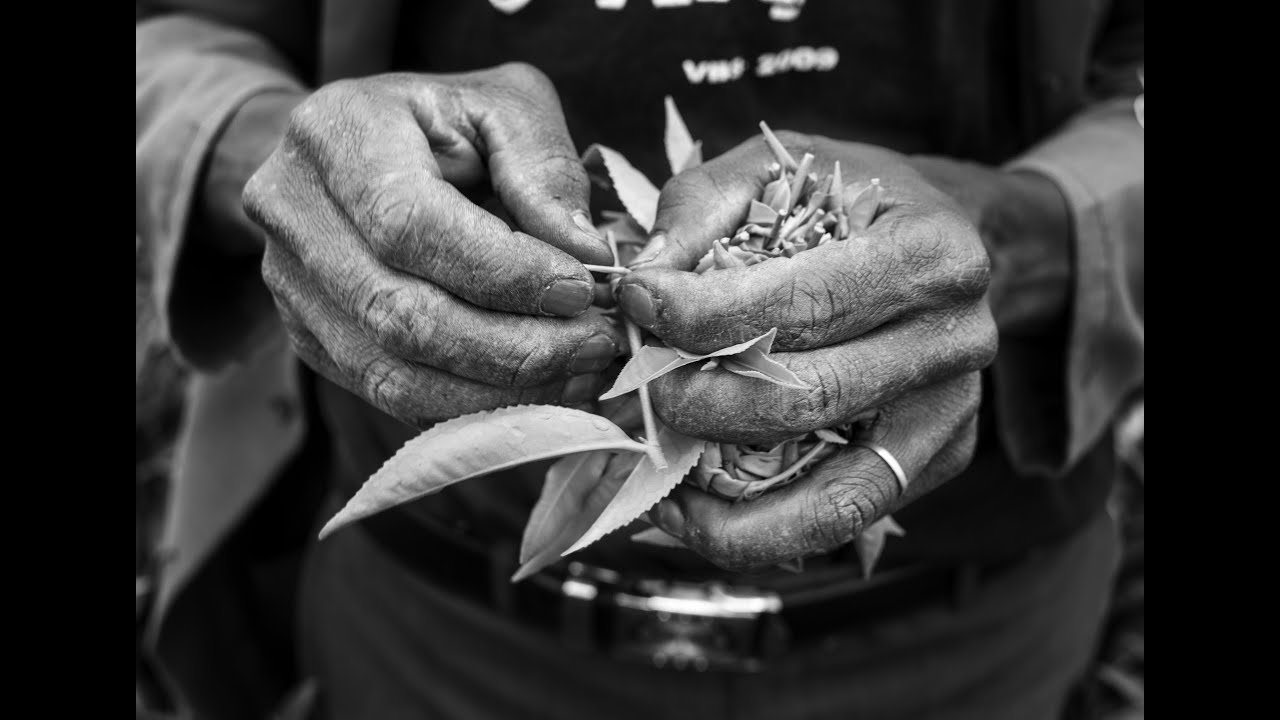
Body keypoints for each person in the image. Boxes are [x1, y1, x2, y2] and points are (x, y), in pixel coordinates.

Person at [135, 2, 1143, 719]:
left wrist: (1019, 231)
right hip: (444, 634)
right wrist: (278, 153)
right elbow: (175, 39)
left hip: (967, 637)